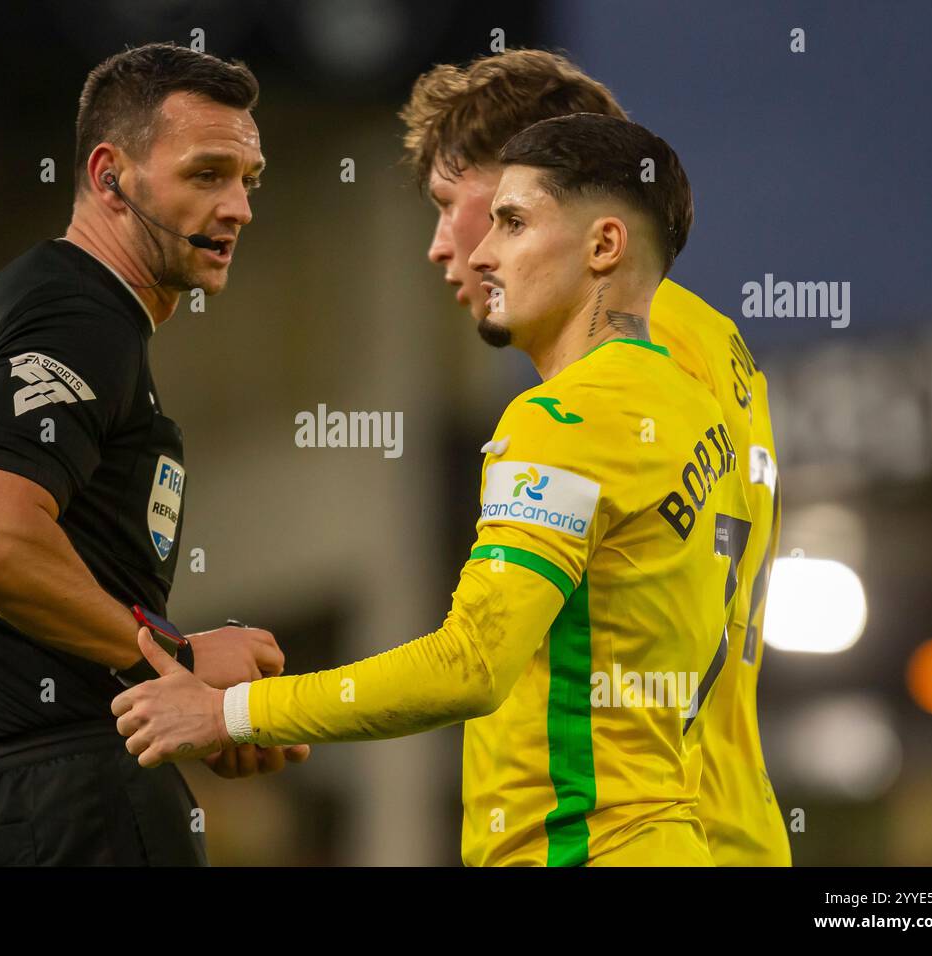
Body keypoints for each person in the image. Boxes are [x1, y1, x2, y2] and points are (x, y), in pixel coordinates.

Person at [115, 113, 752, 866]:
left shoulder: (568, 414)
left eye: (512, 223)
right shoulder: (695, 400)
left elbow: (471, 665)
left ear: (604, 245)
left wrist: (232, 713)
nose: (481, 252)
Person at [0, 42, 303, 867]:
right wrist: (177, 656)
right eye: (207, 174)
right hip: (65, 816)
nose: (240, 208)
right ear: (111, 175)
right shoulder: (82, 316)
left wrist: (181, 704)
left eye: (247, 181)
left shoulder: (43, 307)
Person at [401, 49, 789, 866]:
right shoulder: (704, 344)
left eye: (454, 205)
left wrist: (241, 709)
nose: (443, 247)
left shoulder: (630, 371)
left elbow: (475, 661)